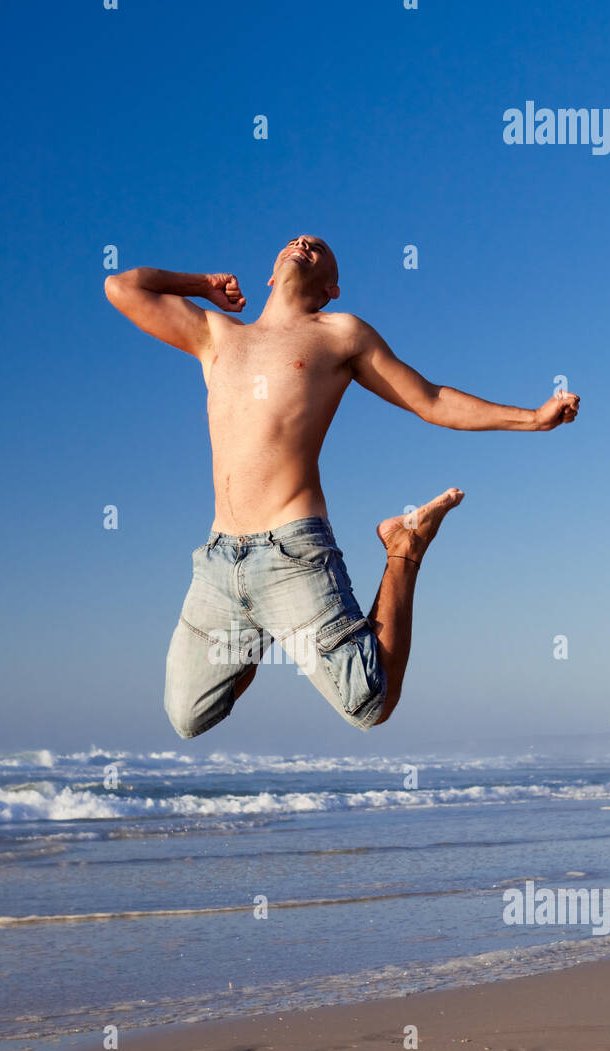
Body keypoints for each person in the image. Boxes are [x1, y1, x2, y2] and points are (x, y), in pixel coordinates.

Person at [105, 235, 579, 736]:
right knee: (188, 717)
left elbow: (431, 399)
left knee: (369, 705)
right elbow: (122, 287)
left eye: (319, 247)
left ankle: (406, 546)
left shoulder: (339, 333)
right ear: (269, 274)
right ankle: (260, 626)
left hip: (292, 551)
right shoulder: (217, 335)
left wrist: (532, 418)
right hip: (218, 561)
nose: (304, 242)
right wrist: (202, 284)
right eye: (294, 241)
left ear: (331, 287)